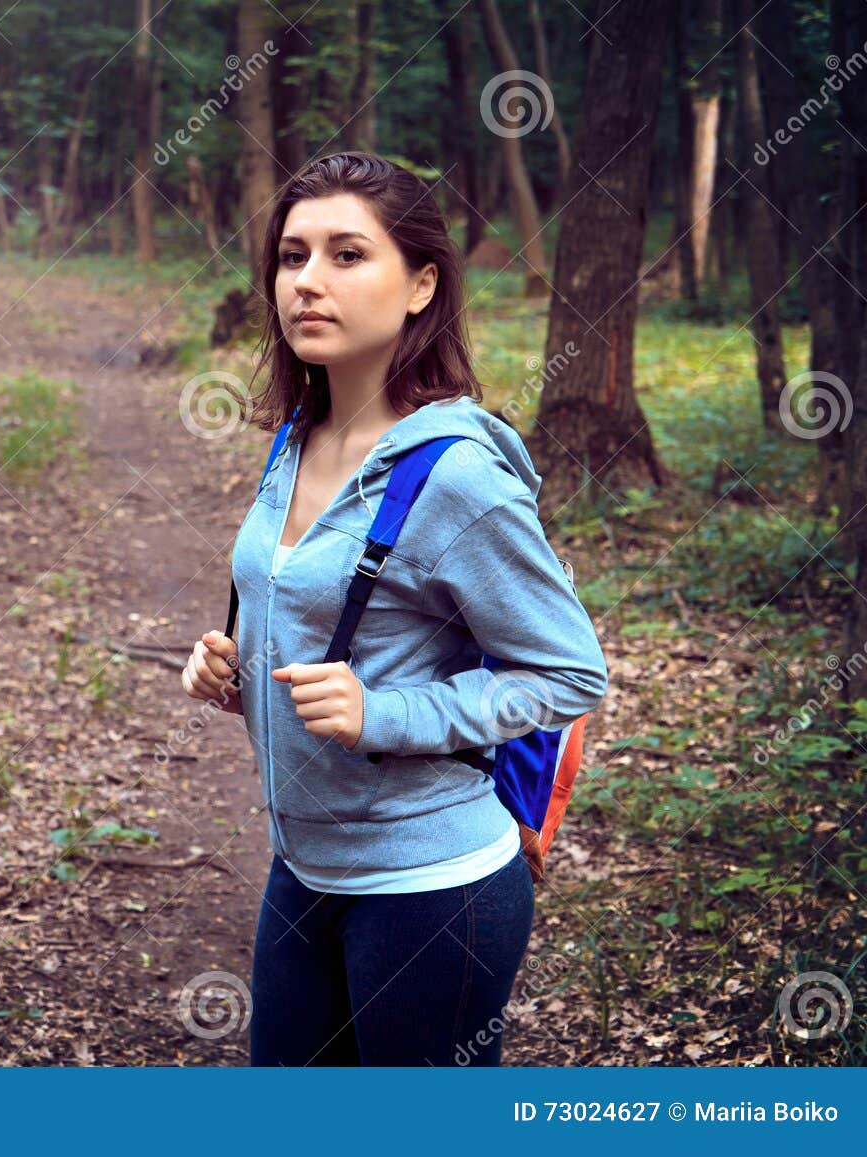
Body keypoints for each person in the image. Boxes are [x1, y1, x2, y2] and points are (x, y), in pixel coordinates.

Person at [180, 152, 609, 1066]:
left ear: (420, 285)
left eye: (346, 255)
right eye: (292, 256)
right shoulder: (297, 438)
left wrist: (387, 714)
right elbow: (317, 605)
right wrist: (233, 665)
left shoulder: (457, 475)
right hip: (303, 868)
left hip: (434, 885)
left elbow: (571, 672)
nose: (307, 282)